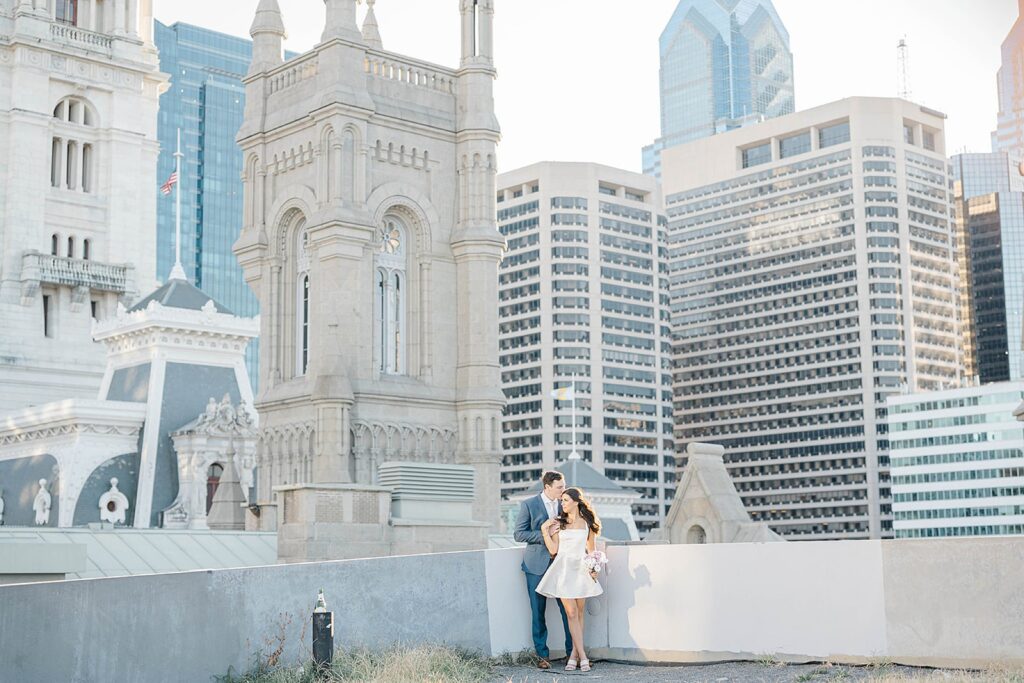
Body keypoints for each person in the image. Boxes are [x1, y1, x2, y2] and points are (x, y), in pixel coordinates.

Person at [536, 487, 603, 673]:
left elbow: (591, 550)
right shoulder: (559, 522)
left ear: (575, 501)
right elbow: (553, 550)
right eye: (561, 500)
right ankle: (583, 656)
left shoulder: (588, 523)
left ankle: (573, 655)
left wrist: (594, 568)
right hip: (564, 570)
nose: (562, 503)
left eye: (565, 500)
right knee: (571, 613)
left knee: (580, 614)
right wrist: (544, 531)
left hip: (581, 570)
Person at [513, 470, 573, 670]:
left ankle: (572, 653)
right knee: (538, 612)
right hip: (536, 566)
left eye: (563, 486)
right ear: (547, 487)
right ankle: (542, 656)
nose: (563, 490)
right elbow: (519, 534)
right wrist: (545, 534)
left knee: (568, 610)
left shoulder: (565, 503)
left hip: (561, 564)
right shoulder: (529, 505)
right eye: (559, 487)